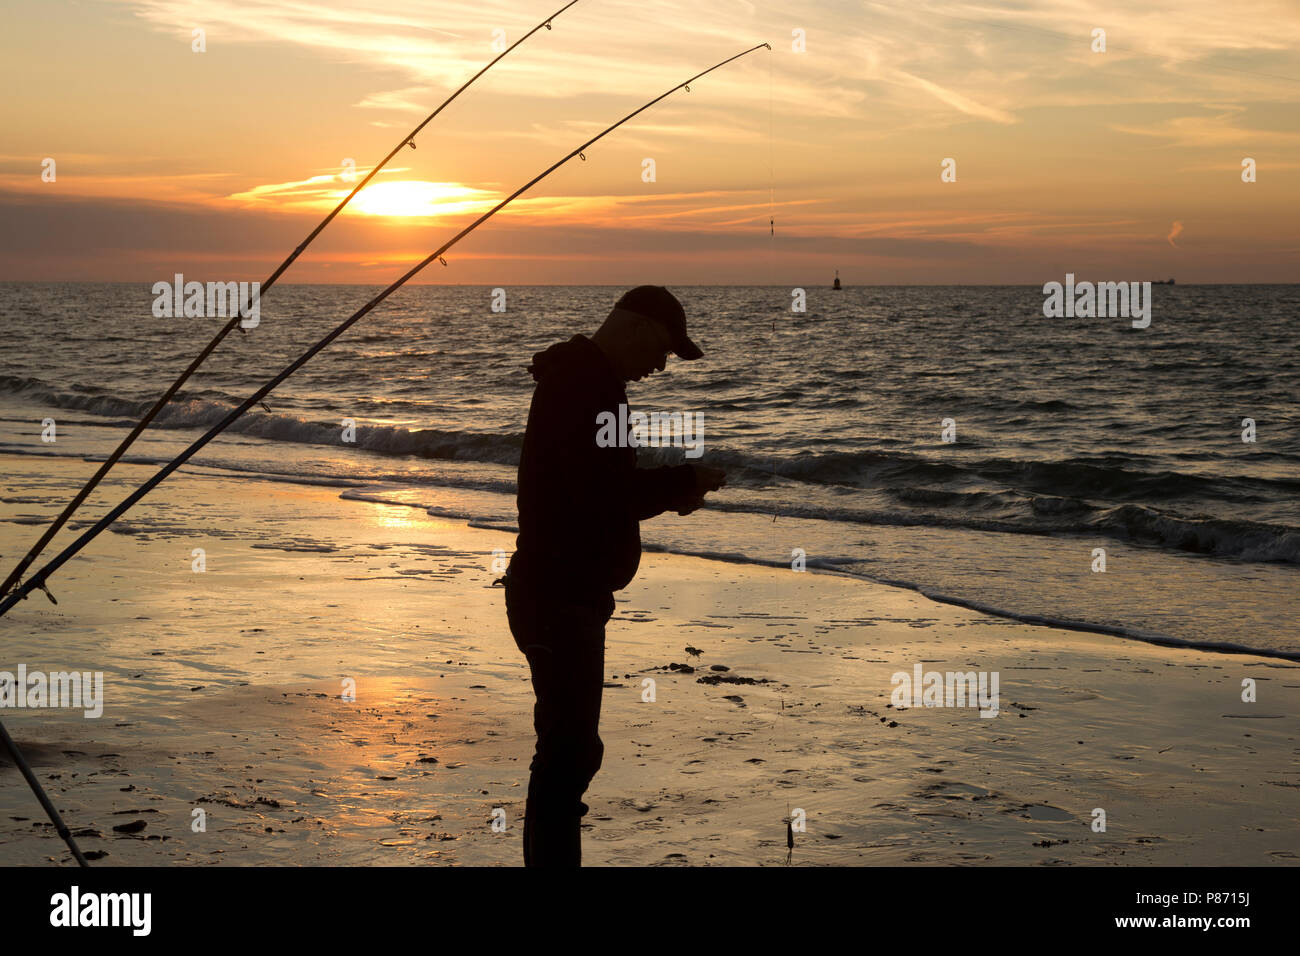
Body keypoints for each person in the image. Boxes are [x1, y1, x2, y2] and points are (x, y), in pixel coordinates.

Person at [503, 285, 726, 866]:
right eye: (662, 349)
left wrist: (668, 494)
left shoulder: (581, 382)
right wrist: (680, 481)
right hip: (559, 594)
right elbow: (602, 492)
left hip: (559, 591)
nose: (661, 365)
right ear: (634, 327)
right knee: (570, 751)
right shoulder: (590, 388)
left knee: (567, 749)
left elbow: (595, 489)